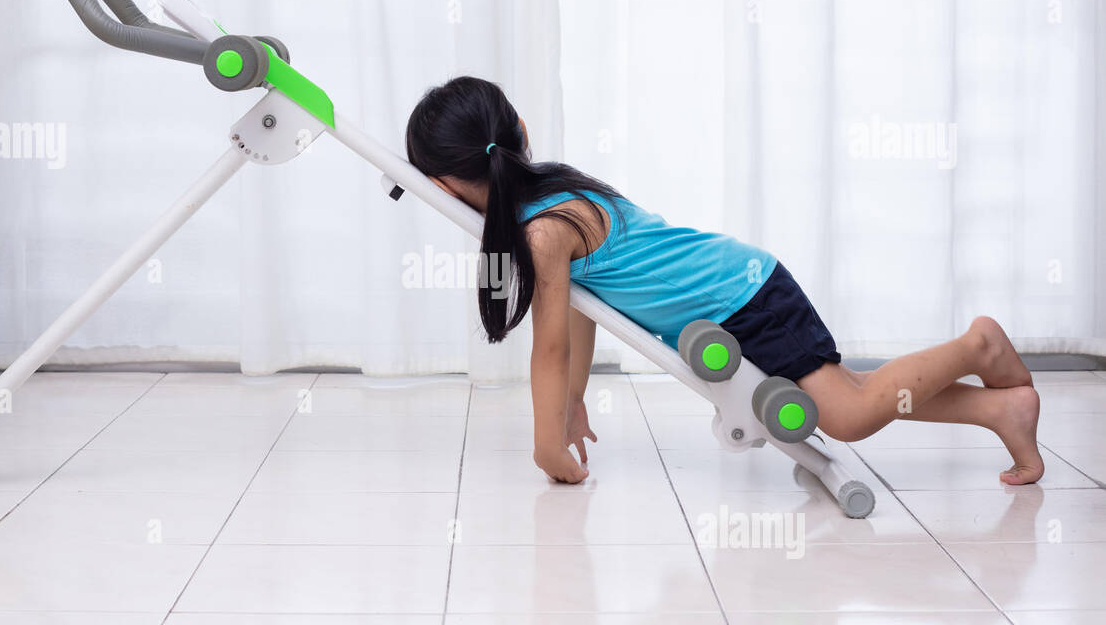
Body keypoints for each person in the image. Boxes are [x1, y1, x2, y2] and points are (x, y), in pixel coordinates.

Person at [405, 76, 1042, 486]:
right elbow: (580, 310)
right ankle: (1002, 410)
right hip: (744, 285)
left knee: (844, 414)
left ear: (440, 186)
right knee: (852, 390)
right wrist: (574, 402)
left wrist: (548, 445)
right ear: (520, 132)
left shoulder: (544, 229)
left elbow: (549, 345)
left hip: (745, 299)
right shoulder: (548, 201)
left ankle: (977, 345)